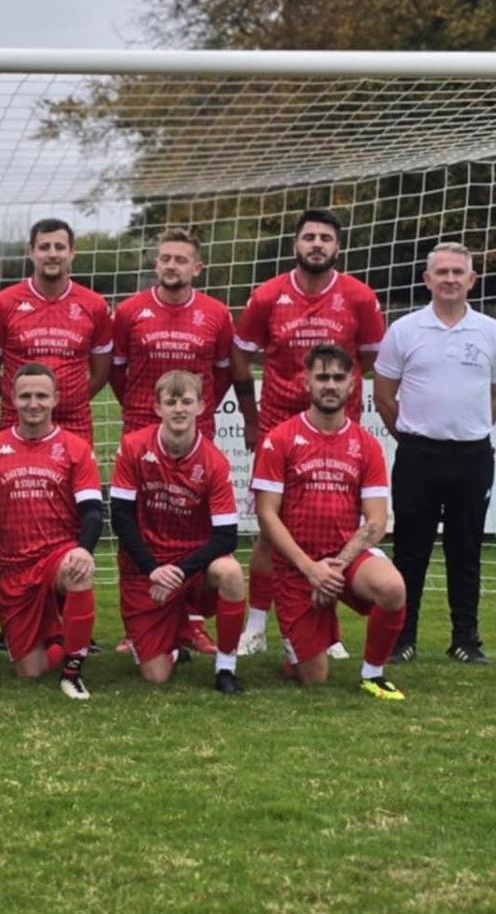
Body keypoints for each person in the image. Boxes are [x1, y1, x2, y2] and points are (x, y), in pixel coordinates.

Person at [233, 208, 385, 658]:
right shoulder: (268, 295)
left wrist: (335, 399)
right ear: (296, 245)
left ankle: (326, 630)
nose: (317, 244)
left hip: (339, 432)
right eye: (309, 237)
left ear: (337, 247)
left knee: (334, 531)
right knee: (269, 529)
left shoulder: (358, 297)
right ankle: (256, 626)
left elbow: (369, 359)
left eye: (325, 238)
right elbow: (241, 356)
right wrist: (251, 417)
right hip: (281, 428)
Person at [373, 242, 496, 665]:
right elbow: (383, 396)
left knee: (465, 550)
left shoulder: (492, 332)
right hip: (418, 456)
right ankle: (402, 639)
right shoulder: (404, 330)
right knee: (411, 552)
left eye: (458, 272)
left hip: (472, 457)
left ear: (472, 280)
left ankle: (465, 640)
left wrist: (465, 429)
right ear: (427, 280)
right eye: (442, 272)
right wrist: (417, 438)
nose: (450, 279)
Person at [110, 228, 242, 655]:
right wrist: (140, 411)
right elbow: (117, 371)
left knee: (195, 527)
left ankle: (192, 623)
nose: (172, 266)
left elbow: (222, 374)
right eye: (165, 258)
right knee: (139, 524)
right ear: (156, 264)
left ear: (196, 267)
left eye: (180, 259)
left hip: (196, 436)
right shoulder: (129, 311)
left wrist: (196, 413)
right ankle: (138, 625)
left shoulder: (217, 313)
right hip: (140, 432)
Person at [251, 345, 407, 699]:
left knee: (393, 587)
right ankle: (302, 642)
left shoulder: (366, 445)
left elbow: (377, 521)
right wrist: (310, 569)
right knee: (314, 678)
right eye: (322, 377)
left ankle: (373, 674)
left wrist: (334, 568)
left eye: (338, 378)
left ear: (353, 385)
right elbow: (267, 515)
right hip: (296, 567)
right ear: (306, 383)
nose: (330, 385)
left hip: (343, 559)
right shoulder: (280, 439)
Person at [0, 364, 103, 700]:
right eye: (26, 395)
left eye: (42, 396)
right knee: (30, 671)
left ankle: (73, 671)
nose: (34, 403)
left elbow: (91, 512)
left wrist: (84, 549)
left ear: (55, 399)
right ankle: (61, 639)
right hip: (15, 569)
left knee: (77, 569)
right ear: (11, 399)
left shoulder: (75, 448)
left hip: (58, 555)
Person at [110, 370, 246, 694]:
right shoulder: (132, 446)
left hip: (192, 566)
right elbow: (121, 517)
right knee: (155, 677)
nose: (179, 409)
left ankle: (226, 668)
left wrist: (179, 572)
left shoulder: (214, 461)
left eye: (187, 401)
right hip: (146, 568)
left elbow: (227, 536)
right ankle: (176, 639)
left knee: (231, 572)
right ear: (157, 407)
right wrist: (153, 570)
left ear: (201, 406)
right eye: (171, 401)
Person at [0, 218, 113, 443]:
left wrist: (70, 399)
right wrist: (23, 400)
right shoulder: (5, 303)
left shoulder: (94, 305)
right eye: (44, 247)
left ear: (72, 253)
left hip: (74, 423)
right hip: (18, 422)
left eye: (60, 247)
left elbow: (102, 372)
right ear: (30, 252)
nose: (52, 254)